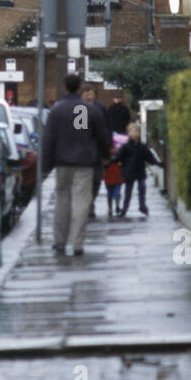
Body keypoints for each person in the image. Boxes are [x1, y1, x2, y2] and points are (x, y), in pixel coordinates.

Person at [42, 72, 111, 256]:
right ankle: (77, 243)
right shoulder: (88, 109)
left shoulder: (57, 110)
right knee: (82, 202)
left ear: (64, 87)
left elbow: (49, 139)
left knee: (62, 200)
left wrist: (45, 165)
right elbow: (101, 135)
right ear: (80, 87)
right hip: (85, 162)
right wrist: (105, 154)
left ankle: (59, 241)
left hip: (63, 162)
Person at [112, 124, 160, 217]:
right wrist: (113, 162)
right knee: (128, 191)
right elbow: (118, 156)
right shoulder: (126, 146)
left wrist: (157, 163)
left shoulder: (142, 146)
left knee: (142, 188)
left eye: (137, 132)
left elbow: (149, 157)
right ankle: (125, 209)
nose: (135, 134)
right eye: (133, 132)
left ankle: (142, 206)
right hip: (129, 172)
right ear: (128, 133)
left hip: (140, 171)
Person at [81, 86, 109, 218]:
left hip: (97, 151)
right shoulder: (80, 109)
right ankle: (88, 204)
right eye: (86, 94)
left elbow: (105, 130)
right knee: (85, 180)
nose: (88, 97)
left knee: (97, 179)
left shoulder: (100, 108)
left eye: (90, 94)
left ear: (95, 95)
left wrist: (106, 150)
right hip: (83, 152)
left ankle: (91, 201)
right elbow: (78, 131)